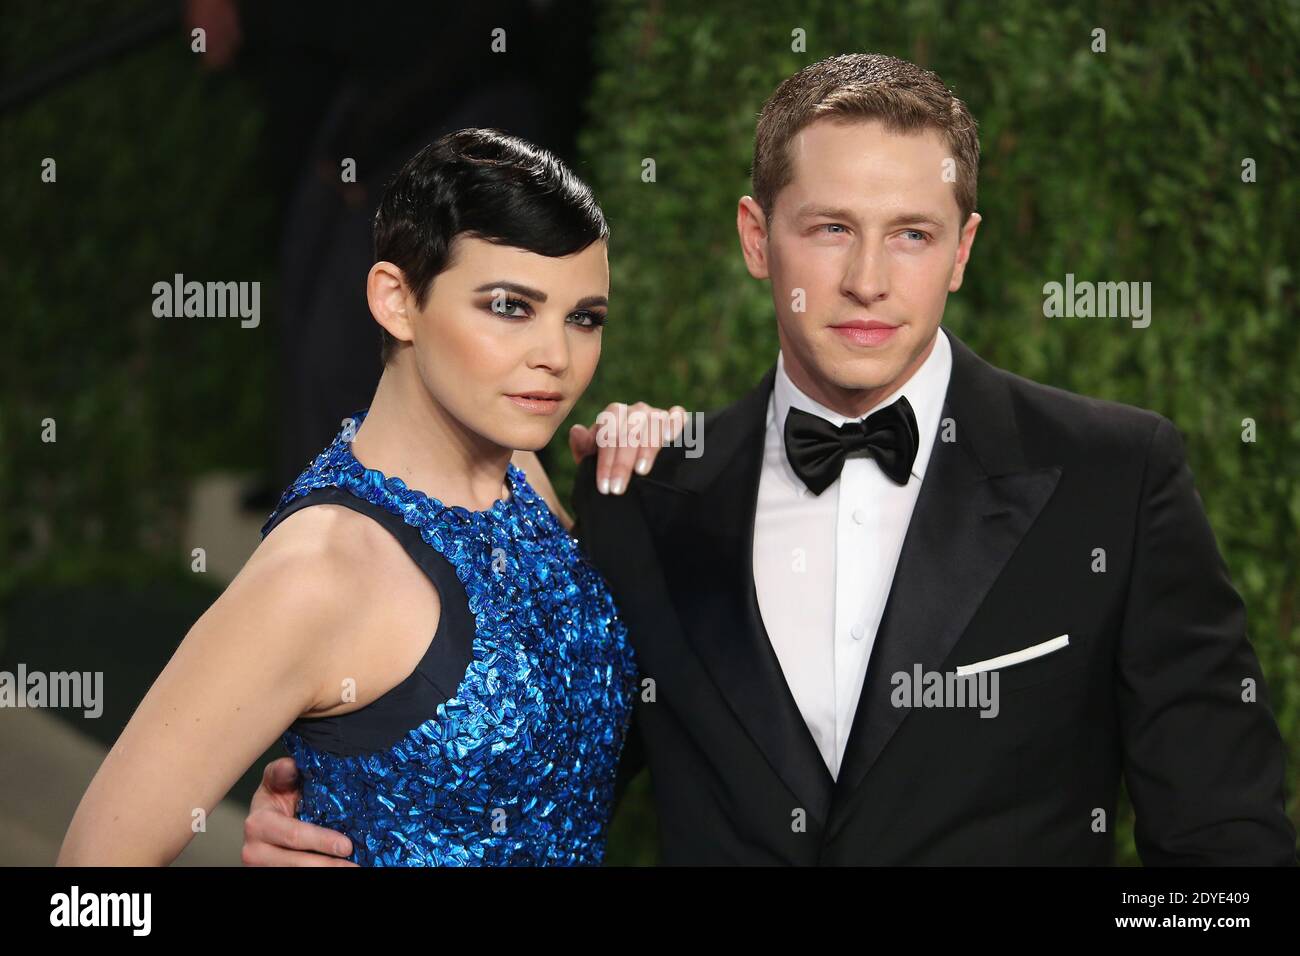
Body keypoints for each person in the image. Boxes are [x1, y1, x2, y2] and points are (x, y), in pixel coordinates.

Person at [241, 54, 1297, 866]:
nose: (870, 279)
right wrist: (343, 817)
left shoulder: (1116, 478)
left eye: (913, 234)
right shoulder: (641, 497)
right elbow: (536, 791)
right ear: (758, 238)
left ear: (964, 249)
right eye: (830, 228)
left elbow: (1223, 845)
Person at [58, 128, 640, 866]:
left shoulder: (522, 471)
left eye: (584, 318)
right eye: (509, 307)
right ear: (397, 301)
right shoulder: (320, 571)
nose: (556, 356)